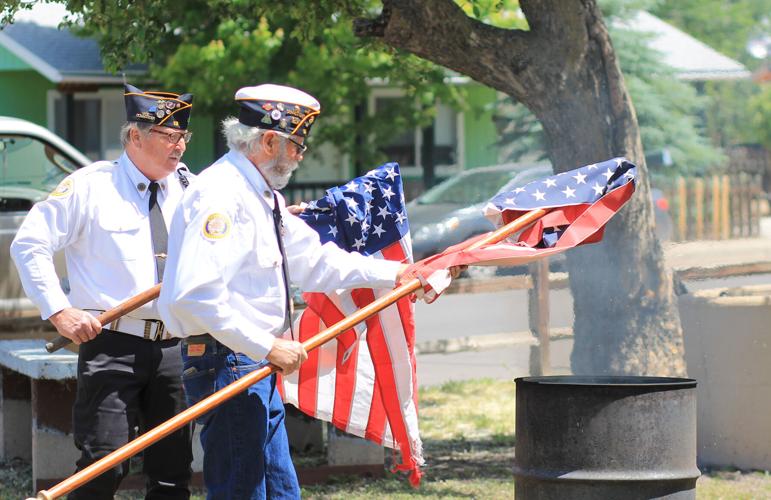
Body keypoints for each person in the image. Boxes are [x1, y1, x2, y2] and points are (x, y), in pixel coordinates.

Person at [157, 84, 409, 499]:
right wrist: (267, 345)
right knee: (243, 491)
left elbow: (316, 262)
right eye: (296, 146)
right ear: (269, 140)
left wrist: (396, 274)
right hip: (229, 361)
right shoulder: (222, 194)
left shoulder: (259, 195)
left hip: (249, 360)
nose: (300, 157)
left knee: (279, 491)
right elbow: (194, 295)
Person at [11, 84, 195, 499]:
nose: (179, 145)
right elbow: (30, 243)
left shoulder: (191, 189)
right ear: (135, 136)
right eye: (168, 135)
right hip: (112, 341)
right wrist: (59, 311)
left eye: (183, 136)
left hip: (175, 347)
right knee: (103, 463)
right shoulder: (92, 186)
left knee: (173, 471)